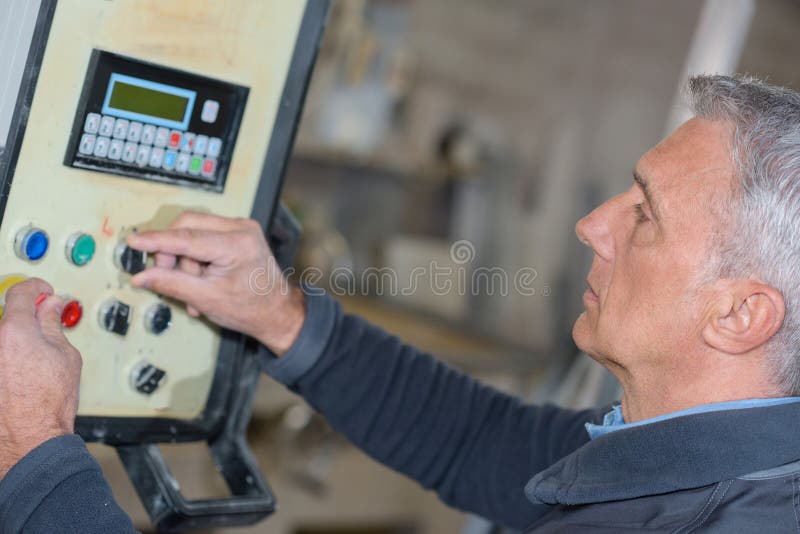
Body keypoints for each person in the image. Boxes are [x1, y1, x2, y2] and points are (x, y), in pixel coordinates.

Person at [3, 74, 800, 533]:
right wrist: (281, 314)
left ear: (740, 315)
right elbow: (479, 443)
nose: (592, 225)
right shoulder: (699, 460)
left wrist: (32, 450)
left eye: (645, 214)